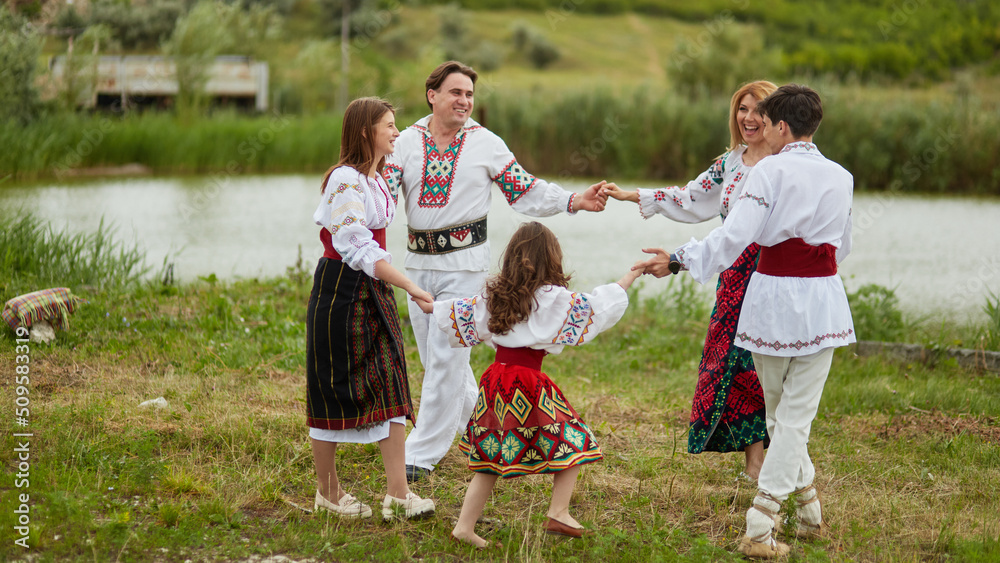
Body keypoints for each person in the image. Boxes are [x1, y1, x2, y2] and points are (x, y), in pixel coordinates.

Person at [635, 84, 854, 558]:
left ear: (780, 126)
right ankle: (809, 512)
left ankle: (762, 522)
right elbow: (844, 246)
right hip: (821, 302)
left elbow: (732, 237)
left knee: (784, 415)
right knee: (786, 416)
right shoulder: (843, 176)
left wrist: (676, 260)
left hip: (770, 302)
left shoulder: (768, 172)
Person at [384, 61, 609, 482]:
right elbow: (381, 190)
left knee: (447, 358)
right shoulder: (406, 141)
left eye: (469, 94)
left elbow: (525, 190)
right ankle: (483, 430)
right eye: (455, 92)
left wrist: (574, 200)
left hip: (465, 267)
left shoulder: (486, 143)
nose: (464, 101)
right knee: (438, 359)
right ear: (432, 95)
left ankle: (420, 454)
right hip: (417, 267)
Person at [415, 221, 641, 548]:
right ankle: (558, 511)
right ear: (552, 258)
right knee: (573, 440)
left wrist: (429, 302)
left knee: (492, 455)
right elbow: (597, 306)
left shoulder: (494, 294)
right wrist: (631, 277)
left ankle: (465, 527)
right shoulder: (552, 298)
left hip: (496, 380)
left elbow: (456, 312)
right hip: (526, 380)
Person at [604, 81, 778, 481]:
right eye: (742, 109)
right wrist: (632, 195)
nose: (748, 118)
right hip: (732, 276)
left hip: (769, 273)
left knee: (762, 364)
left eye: (758, 110)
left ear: (776, 117)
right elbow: (690, 196)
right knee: (735, 365)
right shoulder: (731, 162)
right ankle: (756, 463)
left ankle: (777, 460)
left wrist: (681, 260)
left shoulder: (784, 164)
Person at [306, 97, 436, 521]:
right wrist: (413, 287)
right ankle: (328, 492)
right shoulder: (344, 180)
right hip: (340, 289)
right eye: (389, 125)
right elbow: (357, 246)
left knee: (393, 378)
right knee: (332, 384)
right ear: (366, 131)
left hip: (372, 288)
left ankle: (398, 495)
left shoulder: (376, 178)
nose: (396, 132)